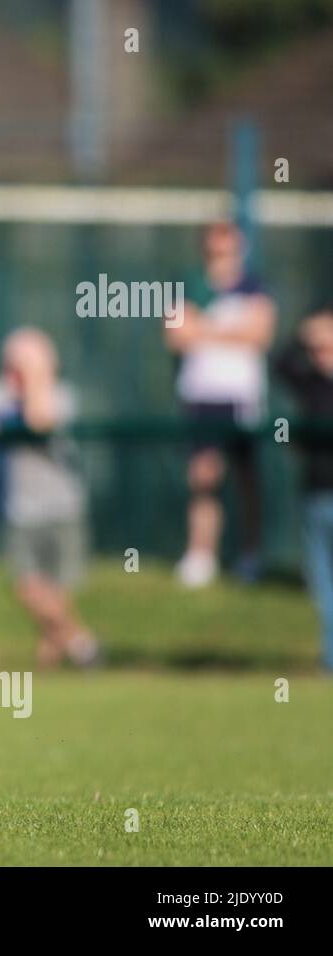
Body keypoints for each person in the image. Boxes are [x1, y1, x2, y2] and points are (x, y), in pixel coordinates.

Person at [0, 328, 99, 668]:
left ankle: (50, 669)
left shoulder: (62, 393)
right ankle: (83, 644)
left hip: (63, 508)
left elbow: (40, 418)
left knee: (59, 592)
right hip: (20, 511)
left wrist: (36, 375)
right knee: (27, 586)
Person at [166, 221, 276, 587]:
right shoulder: (191, 286)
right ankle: (201, 555)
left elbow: (259, 334)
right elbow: (177, 335)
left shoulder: (254, 287)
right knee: (203, 474)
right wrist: (230, 332)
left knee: (246, 476)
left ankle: (250, 555)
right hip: (201, 395)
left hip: (241, 396)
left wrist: (205, 330)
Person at [273, 307, 333, 671]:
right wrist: (305, 333)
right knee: (323, 587)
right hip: (316, 493)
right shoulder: (309, 381)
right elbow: (279, 362)